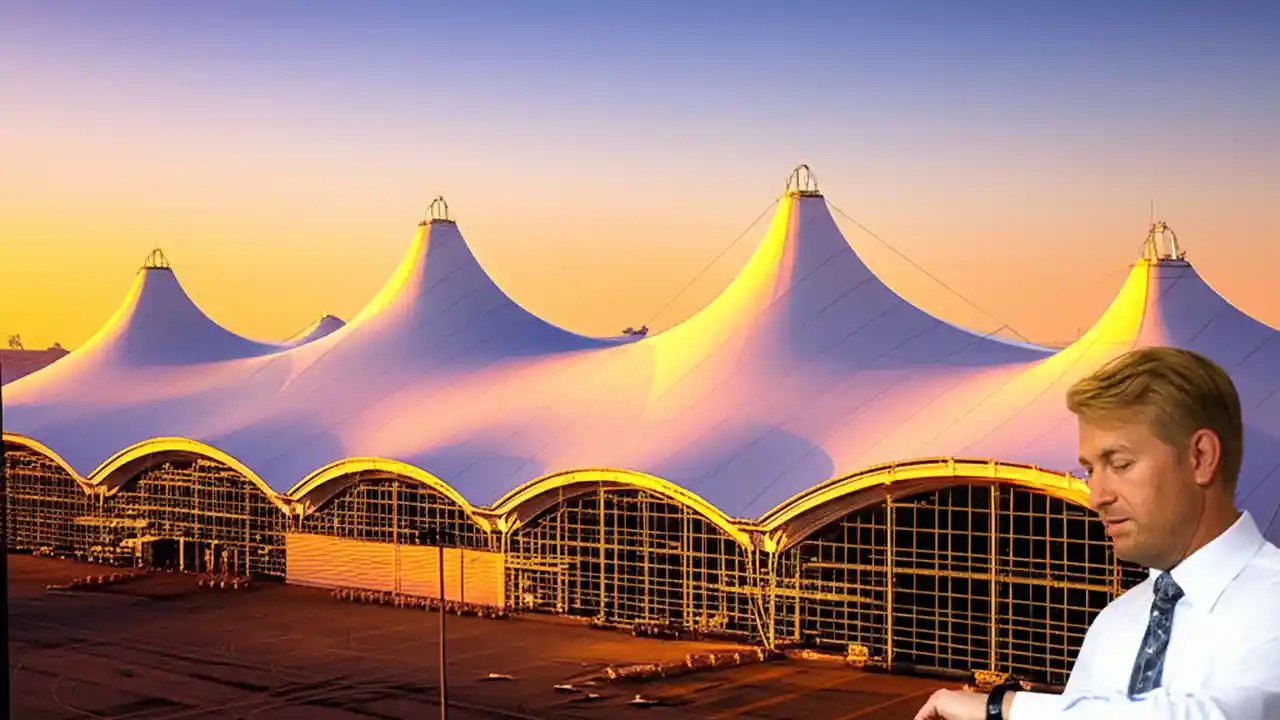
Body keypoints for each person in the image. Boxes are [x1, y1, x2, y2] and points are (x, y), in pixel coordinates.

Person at [915, 347, 1280, 720]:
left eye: (1120, 464)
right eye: (1090, 470)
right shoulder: (1114, 623)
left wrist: (1004, 708)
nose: (1097, 497)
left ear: (1200, 457)